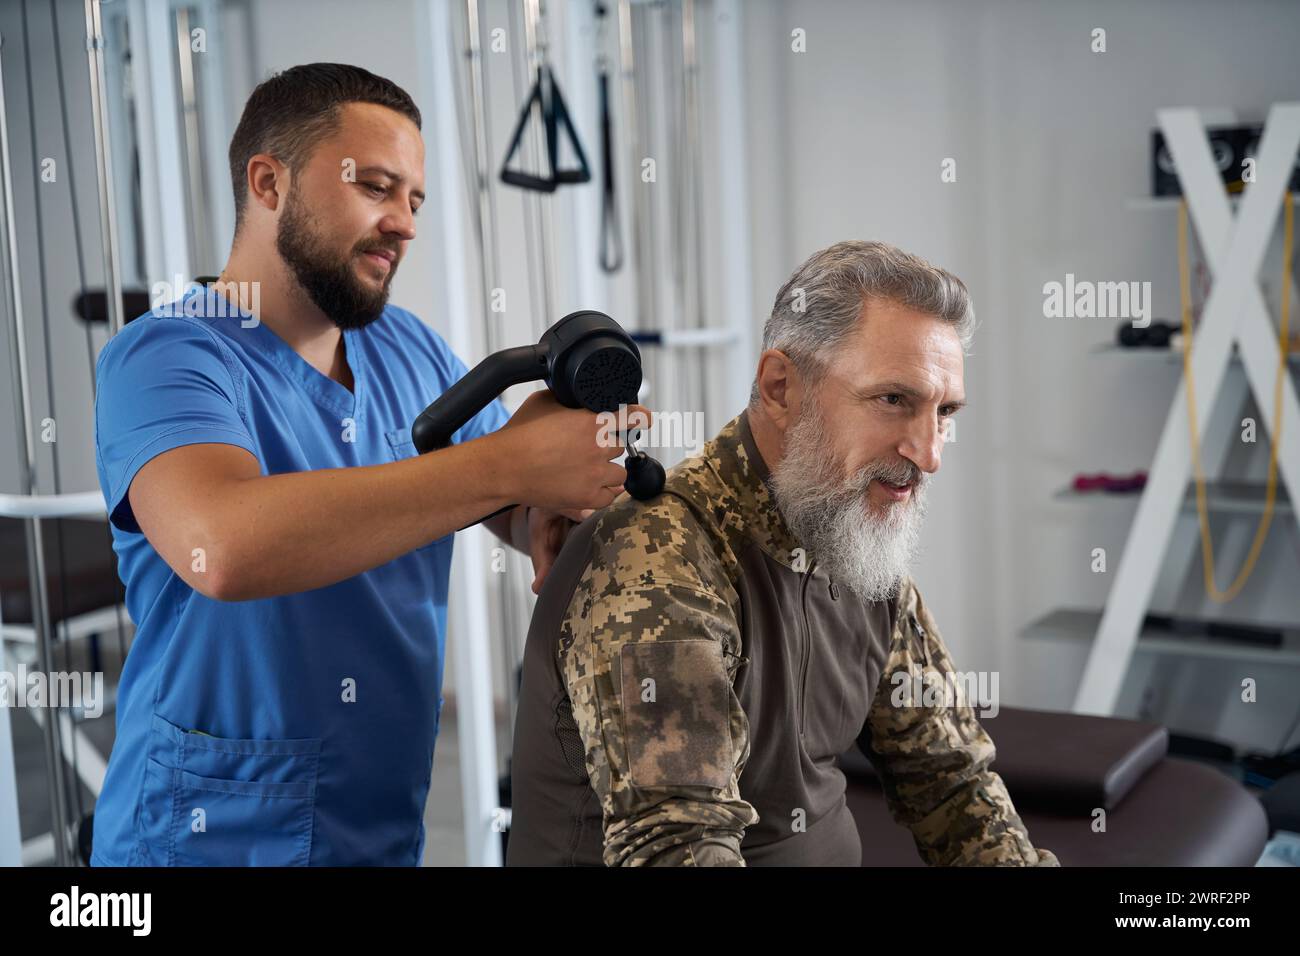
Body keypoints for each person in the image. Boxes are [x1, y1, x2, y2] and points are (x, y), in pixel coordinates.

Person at [91, 63, 641, 866]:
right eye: (376, 187)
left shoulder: (407, 347)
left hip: (376, 825)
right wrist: (508, 467)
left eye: (414, 200)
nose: (405, 223)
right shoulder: (166, 358)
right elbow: (226, 546)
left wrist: (547, 510)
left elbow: (500, 498)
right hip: (207, 834)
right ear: (269, 182)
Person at [507, 240, 1059, 866]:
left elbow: (952, 780)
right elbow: (680, 848)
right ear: (780, 387)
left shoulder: (852, 536)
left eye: (945, 412)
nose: (928, 453)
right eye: (893, 400)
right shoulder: (657, 560)